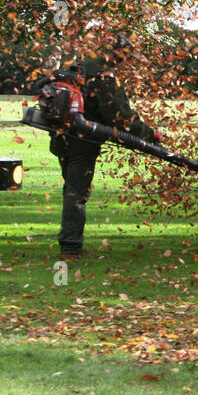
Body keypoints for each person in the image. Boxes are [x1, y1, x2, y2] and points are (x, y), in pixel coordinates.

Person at [49, 36, 159, 260]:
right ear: (120, 53)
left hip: (61, 137)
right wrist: (150, 134)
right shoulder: (104, 76)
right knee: (76, 193)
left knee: (71, 189)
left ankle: (69, 241)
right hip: (82, 140)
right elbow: (120, 117)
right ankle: (71, 248)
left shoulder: (80, 67)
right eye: (126, 57)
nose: (126, 62)